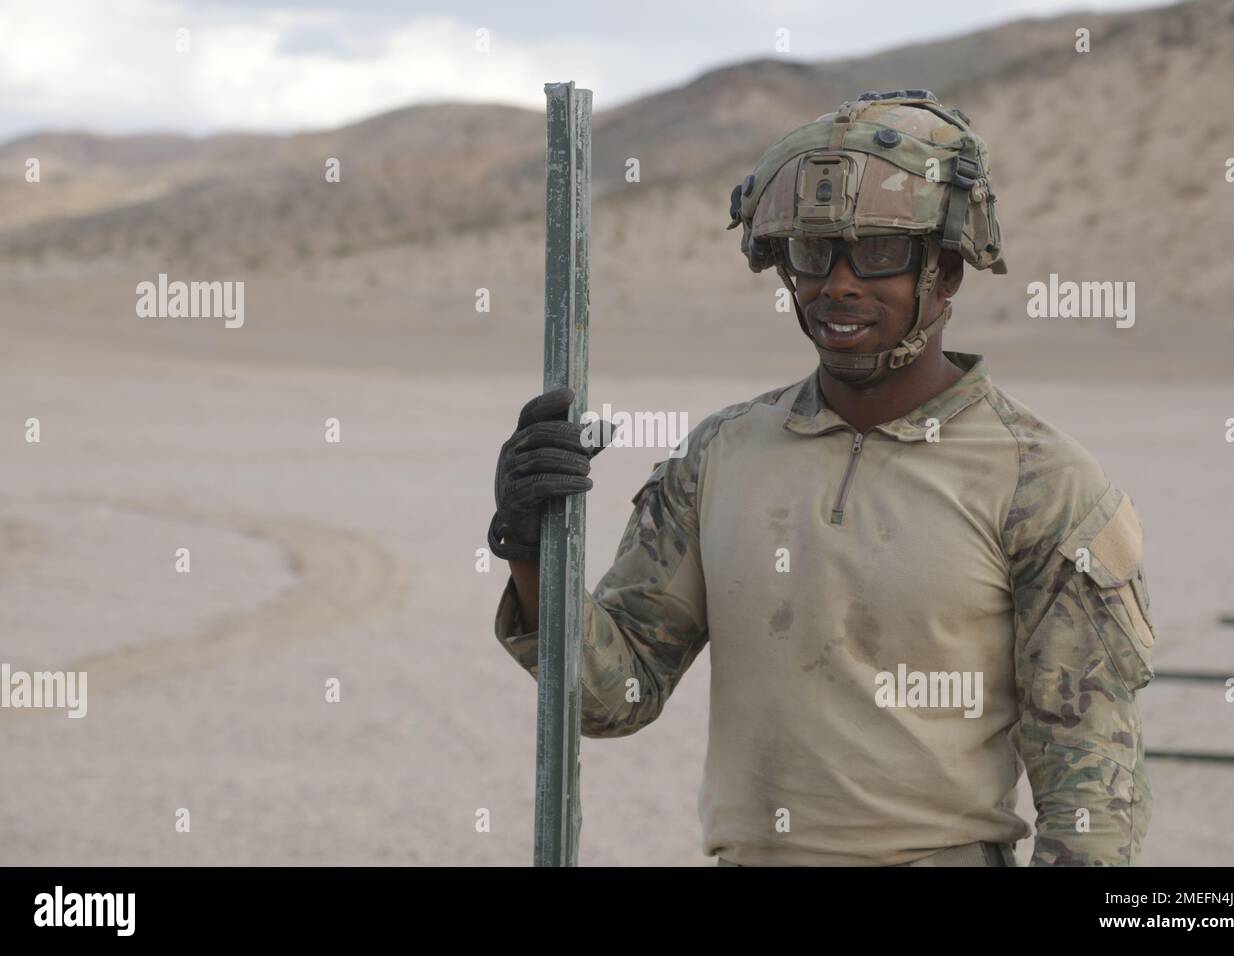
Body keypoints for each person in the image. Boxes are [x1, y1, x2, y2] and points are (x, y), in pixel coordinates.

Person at [488, 90, 1155, 866]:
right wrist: (533, 547)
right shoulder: (721, 455)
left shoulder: (1042, 481)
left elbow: (1090, 788)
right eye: (811, 254)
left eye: (876, 252)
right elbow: (611, 696)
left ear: (944, 270)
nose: (836, 285)